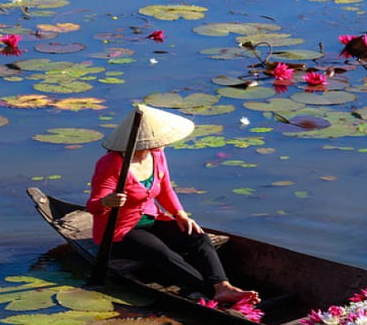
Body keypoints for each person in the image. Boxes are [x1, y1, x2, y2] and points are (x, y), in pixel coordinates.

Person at [86, 104, 258, 306]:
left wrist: (179, 214)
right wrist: (108, 201)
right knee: (161, 253)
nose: (163, 145)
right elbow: (93, 206)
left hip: (152, 219)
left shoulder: (157, 155)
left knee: (198, 238)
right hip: (121, 231)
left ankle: (222, 286)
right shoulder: (112, 164)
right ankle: (210, 293)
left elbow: (166, 190)